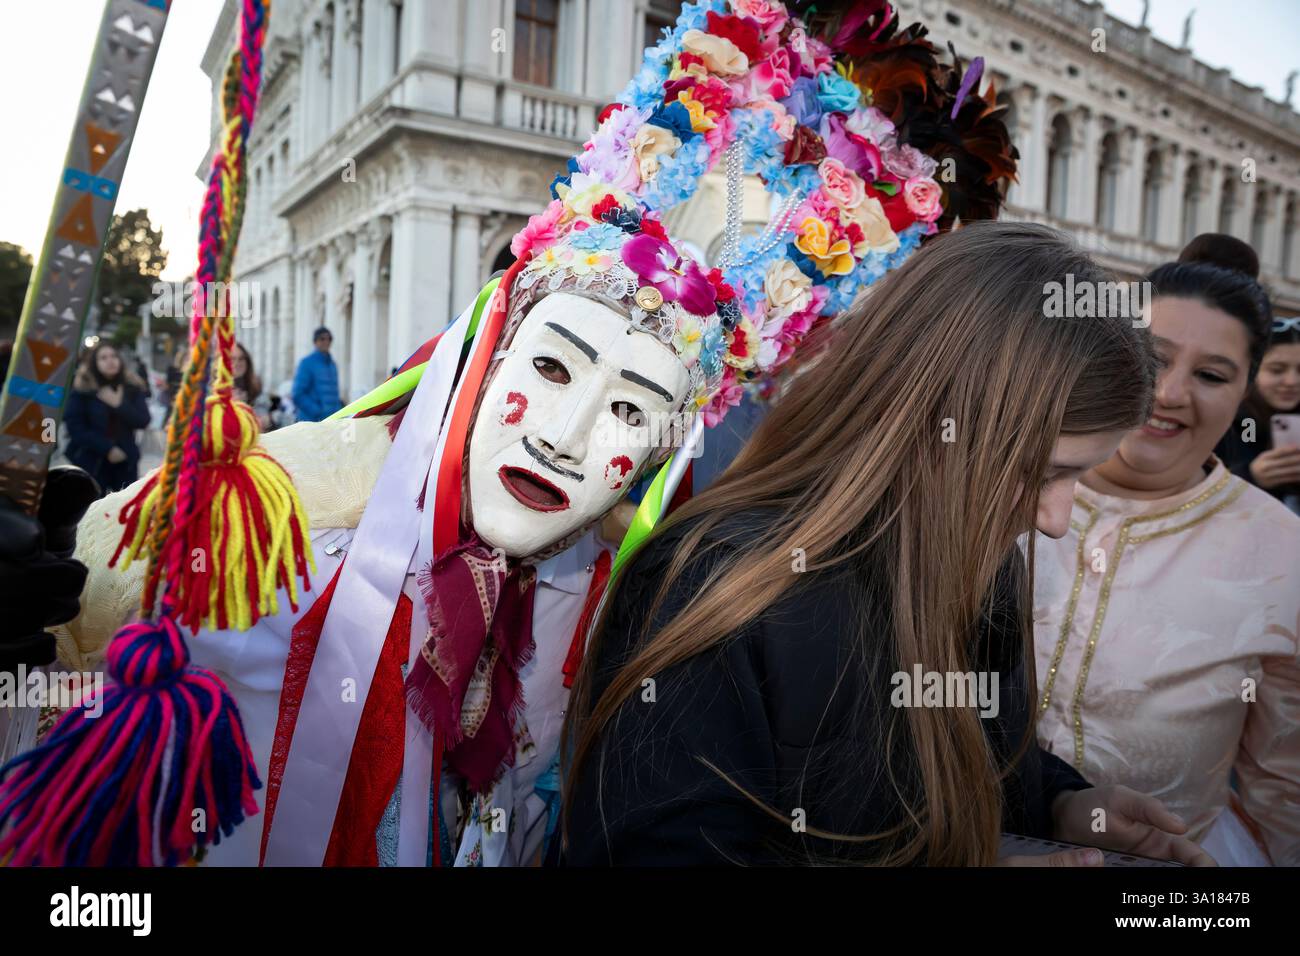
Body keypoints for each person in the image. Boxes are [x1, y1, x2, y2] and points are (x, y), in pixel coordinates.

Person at [562, 222, 1210, 867]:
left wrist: (1066, 807)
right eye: (1044, 474)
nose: (1056, 521)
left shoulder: (987, 569)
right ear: (935, 424)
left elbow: (966, 762)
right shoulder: (719, 585)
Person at [1032, 253, 1300, 866]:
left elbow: (1285, 790)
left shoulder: (1284, 553)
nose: (1171, 393)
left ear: (1243, 391)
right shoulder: (1001, 492)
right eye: (1152, 359)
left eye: (1211, 375)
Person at [63, 341, 151, 494]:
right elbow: (75, 428)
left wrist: (119, 405)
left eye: (114, 356)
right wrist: (108, 449)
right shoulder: (83, 390)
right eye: (103, 358)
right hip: (91, 460)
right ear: (94, 363)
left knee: (123, 510)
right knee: (90, 509)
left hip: (125, 461)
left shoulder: (131, 387)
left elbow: (143, 420)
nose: (110, 361)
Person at [291, 326, 342, 422]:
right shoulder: (306, 363)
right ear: (315, 342)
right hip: (311, 422)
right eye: (322, 339)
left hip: (331, 422)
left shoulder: (333, 365)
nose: (326, 342)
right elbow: (297, 394)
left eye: (329, 339)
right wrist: (317, 412)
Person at [232, 340, 273, 431]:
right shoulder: (213, 388)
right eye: (232, 359)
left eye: (241, 358)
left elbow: (263, 419)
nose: (237, 363)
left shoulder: (255, 385)